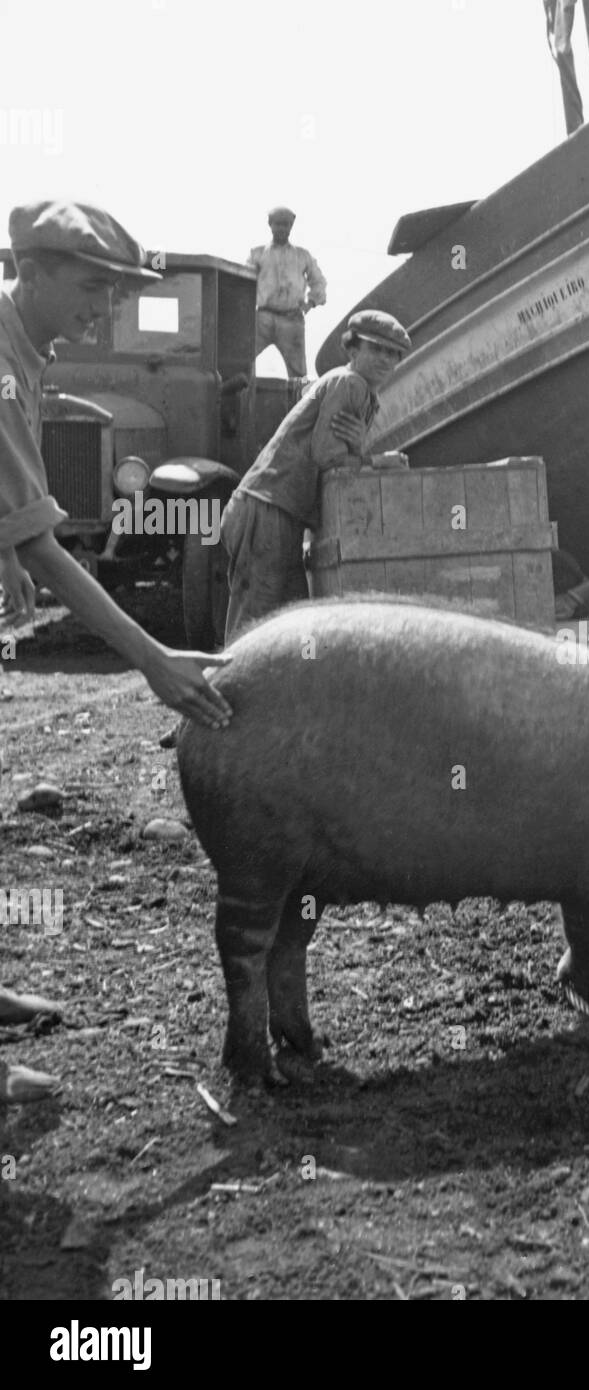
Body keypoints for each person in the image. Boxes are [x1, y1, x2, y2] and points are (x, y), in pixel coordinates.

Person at [0, 199, 232, 1104]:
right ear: (32, 268)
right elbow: (51, 551)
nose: (105, 310)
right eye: (94, 287)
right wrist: (153, 657)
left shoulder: (28, 350)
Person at [220, 309, 412, 642]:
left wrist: (354, 450)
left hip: (273, 509)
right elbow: (327, 456)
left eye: (393, 353)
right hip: (268, 510)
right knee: (253, 628)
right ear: (353, 350)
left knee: (288, 622)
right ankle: (224, 691)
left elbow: (329, 453)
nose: (385, 359)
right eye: (376, 349)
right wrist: (375, 462)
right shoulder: (349, 382)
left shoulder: (347, 385)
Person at [247, 207, 327, 378]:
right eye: (278, 224)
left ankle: (300, 404)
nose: (282, 228)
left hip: (291, 320)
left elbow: (319, 281)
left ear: (291, 226)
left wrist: (310, 303)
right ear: (270, 225)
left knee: (298, 374)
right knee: (242, 361)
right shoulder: (257, 254)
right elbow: (244, 281)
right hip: (263, 319)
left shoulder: (302, 255)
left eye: (286, 224)